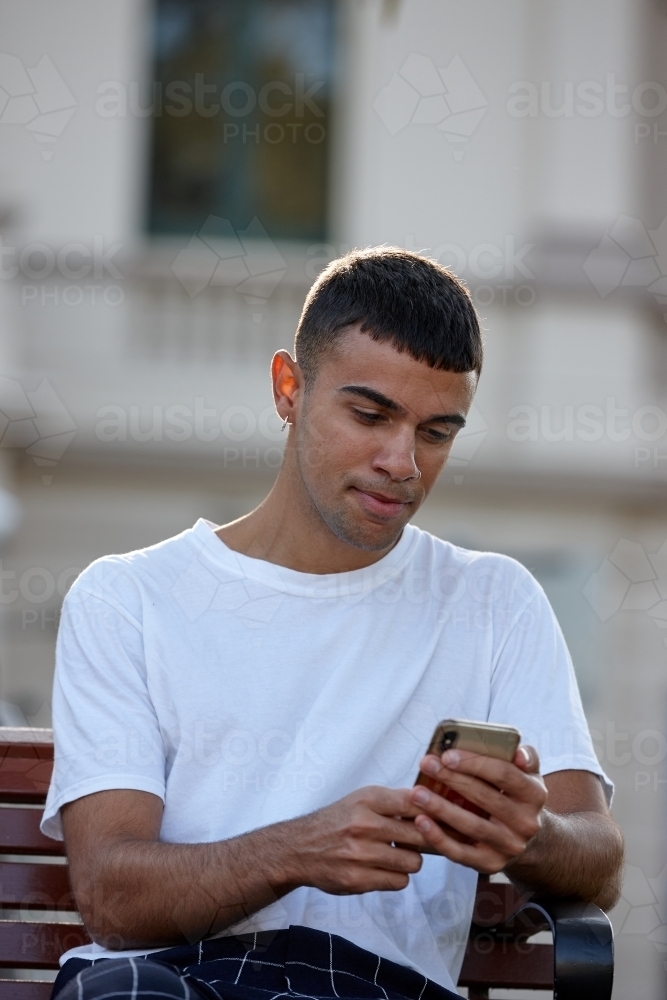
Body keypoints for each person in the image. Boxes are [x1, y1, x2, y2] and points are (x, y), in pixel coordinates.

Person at [42, 248, 623, 1000]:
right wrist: (297, 851)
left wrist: (528, 835)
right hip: (165, 980)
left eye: (436, 432)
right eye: (370, 414)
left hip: (376, 987)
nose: (401, 461)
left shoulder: (493, 601)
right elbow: (114, 904)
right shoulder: (127, 598)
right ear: (289, 388)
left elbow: (598, 862)